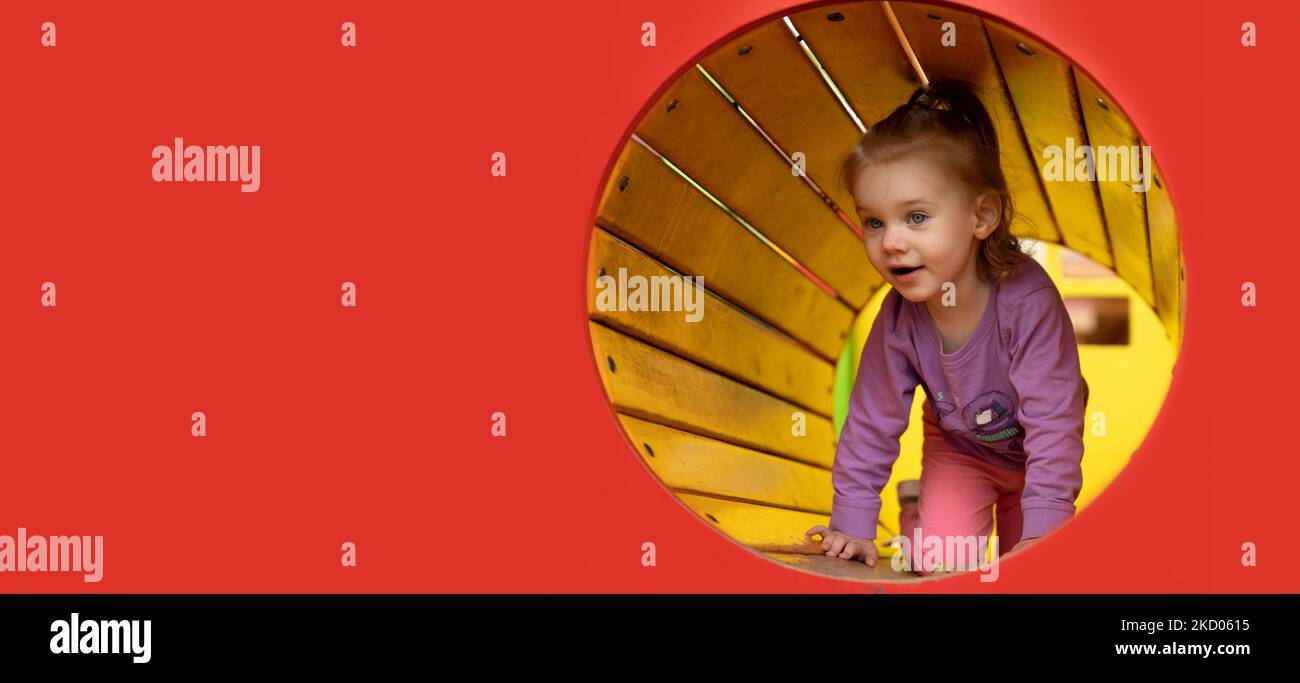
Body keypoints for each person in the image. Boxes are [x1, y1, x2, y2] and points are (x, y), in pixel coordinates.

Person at [804, 79, 1088, 575]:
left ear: (981, 216)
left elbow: (1055, 419)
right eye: (874, 222)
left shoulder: (1028, 302)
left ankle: (966, 516)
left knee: (1035, 569)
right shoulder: (898, 319)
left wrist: (1047, 524)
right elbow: (873, 416)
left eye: (915, 217)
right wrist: (851, 522)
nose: (890, 241)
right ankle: (916, 519)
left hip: (1038, 459)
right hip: (961, 455)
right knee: (939, 566)